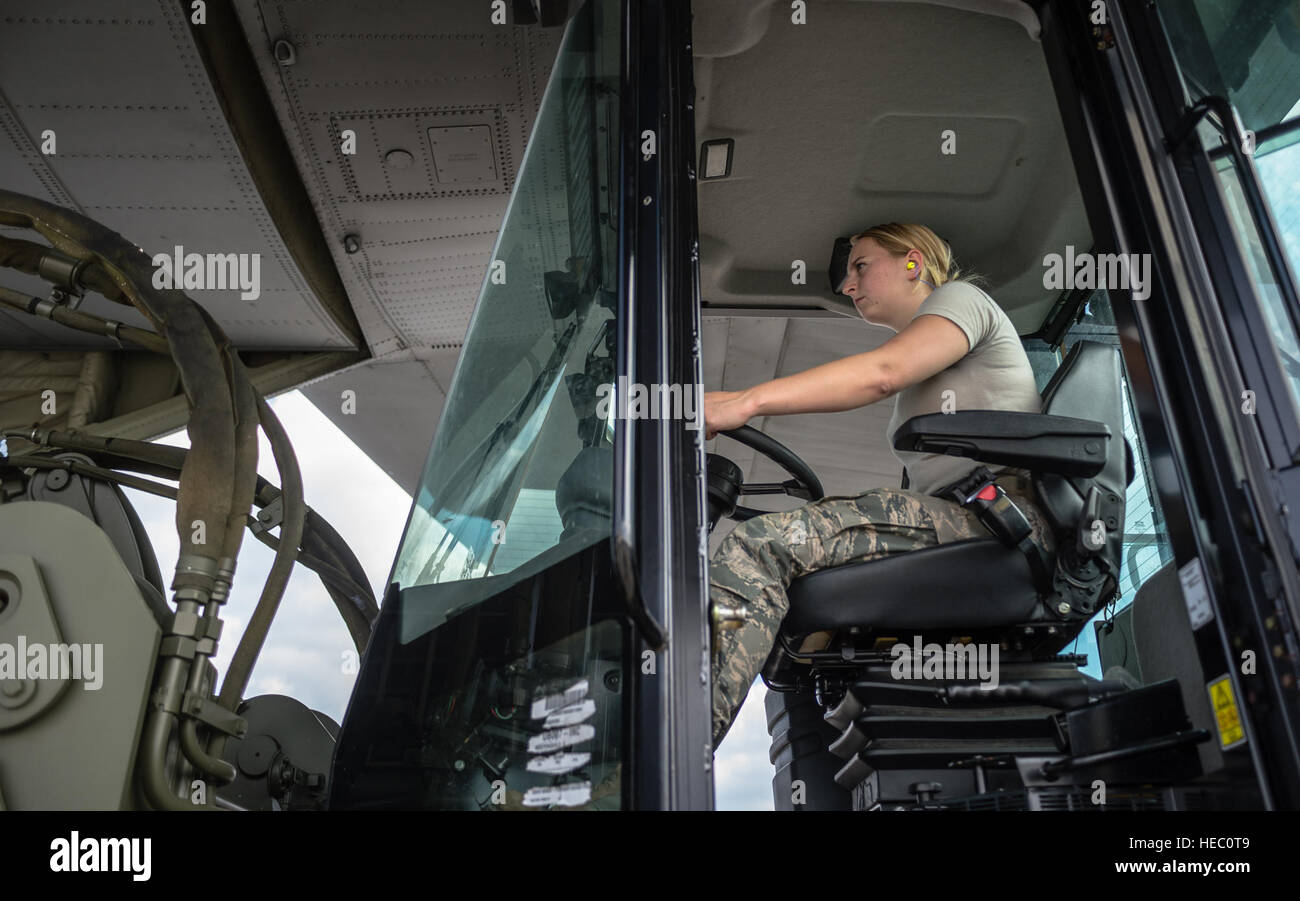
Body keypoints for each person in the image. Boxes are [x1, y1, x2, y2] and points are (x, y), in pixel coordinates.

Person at [703, 222, 1055, 749]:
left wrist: (745, 401)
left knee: (758, 550)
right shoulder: (927, 382)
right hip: (967, 521)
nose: (848, 284)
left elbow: (882, 371)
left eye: (860, 265)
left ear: (913, 263)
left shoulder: (963, 299)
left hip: (999, 520)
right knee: (788, 579)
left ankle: (678, 743)